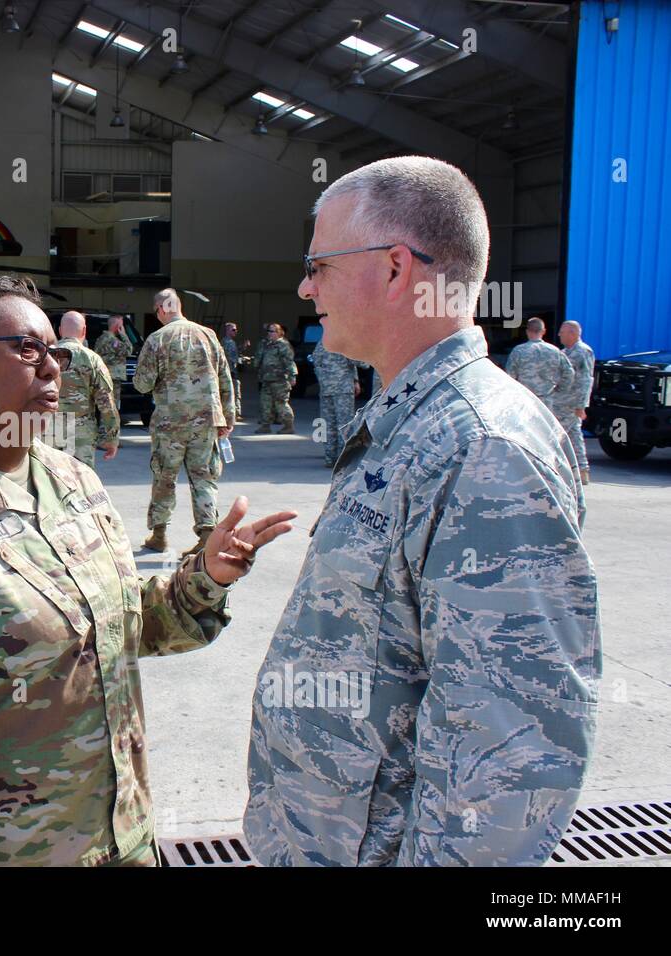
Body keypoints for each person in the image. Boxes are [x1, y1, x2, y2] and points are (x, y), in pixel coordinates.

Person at [0, 274, 296, 866]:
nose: (53, 367)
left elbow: (122, 627)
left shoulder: (70, 479)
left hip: (125, 842)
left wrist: (204, 577)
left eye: (55, 350)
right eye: (28, 349)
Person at [245, 155, 599, 867]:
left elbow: (511, 756)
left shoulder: (483, 447)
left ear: (398, 268)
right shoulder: (414, 420)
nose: (305, 286)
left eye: (319, 264)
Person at [133, 288, 236, 557]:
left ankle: (159, 535)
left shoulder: (158, 339)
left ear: (162, 309)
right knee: (204, 477)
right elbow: (225, 377)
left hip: (171, 423)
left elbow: (142, 384)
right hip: (206, 421)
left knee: (165, 477)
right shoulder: (209, 335)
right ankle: (207, 534)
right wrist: (228, 416)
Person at [51, 310, 119, 467]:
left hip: (50, 433)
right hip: (81, 435)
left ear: (60, 331)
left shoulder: (46, 356)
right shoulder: (92, 359)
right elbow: (106, 402)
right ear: (84, 331)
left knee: (51, 482)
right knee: (82, 482)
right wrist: (111, 439)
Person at [506, 316, 574, 414]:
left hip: (525, 400)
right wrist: (559, 391)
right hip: (547, 401)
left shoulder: (518, 351)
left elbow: (510, 376)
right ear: (543, 331)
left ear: (527, 331)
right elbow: (569, 372)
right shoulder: (554, 351)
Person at [556, 320, 595, 484]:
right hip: (562, 402)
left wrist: (581, 405)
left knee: (558, 434)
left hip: (571, 403)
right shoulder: (565, 352)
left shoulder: (583, 352)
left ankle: (568, 468)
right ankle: (581, 469)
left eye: (562, 332)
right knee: (573, 435)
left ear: (573, 333)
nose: (559, 335)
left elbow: (586, 380)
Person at [311, 339, 360, 467]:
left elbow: (315, 360)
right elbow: (359, 361)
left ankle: (330, 457)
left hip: (326, 388)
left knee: (328, 423)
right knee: (344, 423)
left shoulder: (322, 342)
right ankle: (342, 458)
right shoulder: (345, 342)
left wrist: (355, 380)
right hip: (342, 389)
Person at [254, 323, 296, 434]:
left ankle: (288, 426)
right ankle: (265, 425)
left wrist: (292, 376)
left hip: (280, 380)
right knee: (265, 403)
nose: (269, 333)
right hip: (267, 379)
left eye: (272, 331)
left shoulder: (283, 345)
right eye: (269, 331)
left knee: (281, 403)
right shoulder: (266, 344)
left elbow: (289, 362)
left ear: (279, 333)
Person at [93, 315, 133, 409]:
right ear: (117, 326)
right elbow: (128, 350)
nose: (122, 327)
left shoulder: (101, 339)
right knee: (112, 406)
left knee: (105, 404)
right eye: (121, 325)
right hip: (113, 378)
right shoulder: (113, 341)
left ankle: (104, 423)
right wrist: (124, 334)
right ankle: (108, 424)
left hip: (103, 376)